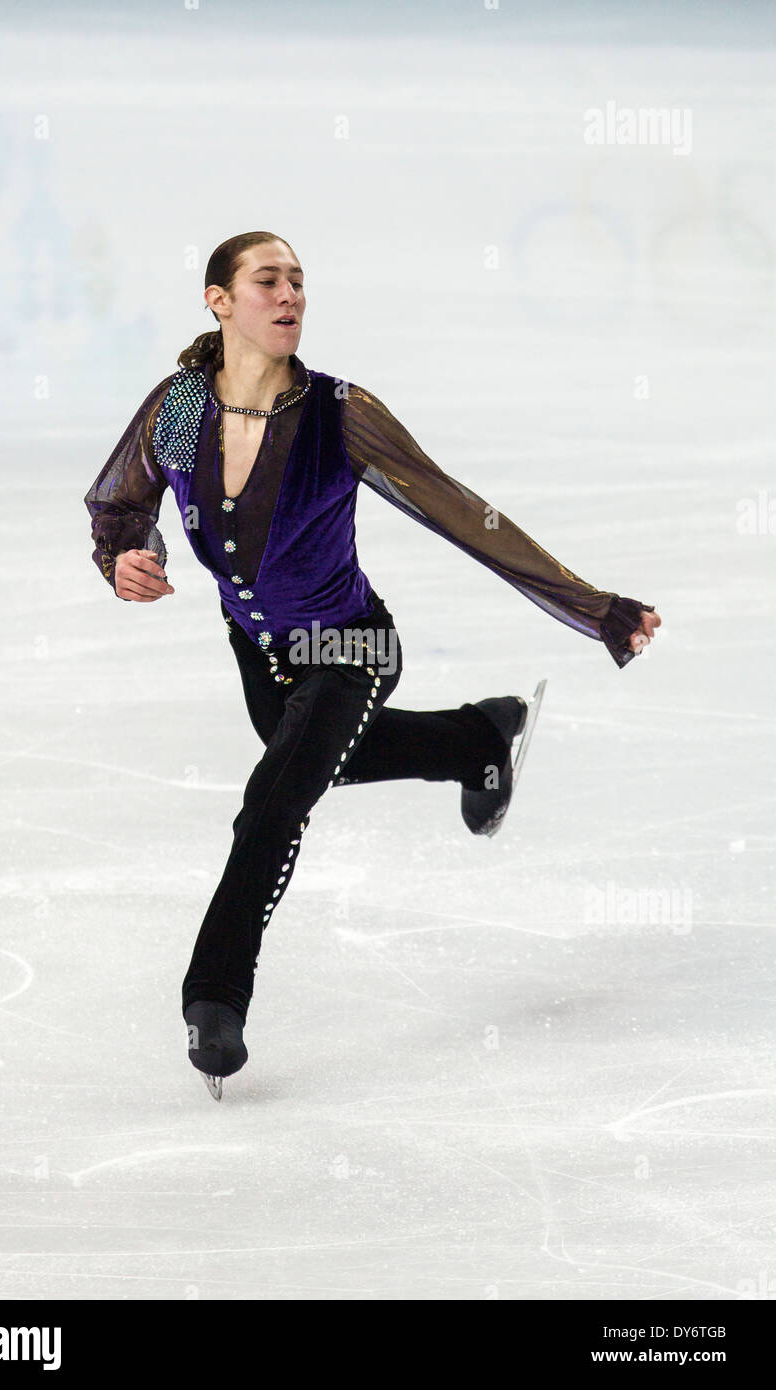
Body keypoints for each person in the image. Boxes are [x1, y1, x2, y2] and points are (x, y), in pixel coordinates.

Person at [83, 231, 661, 1098]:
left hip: (349, 645)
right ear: (219, 300)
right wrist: (126, 554)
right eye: (268, 280)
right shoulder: (178, 407)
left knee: (274, 801)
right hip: (260, 652)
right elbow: (122, 501)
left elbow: (466, 515)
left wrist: (594, 609)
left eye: (299, 283)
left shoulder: (340, 413)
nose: (290, 296)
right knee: (303, 757)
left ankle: (214, 999)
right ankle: (479, 741)